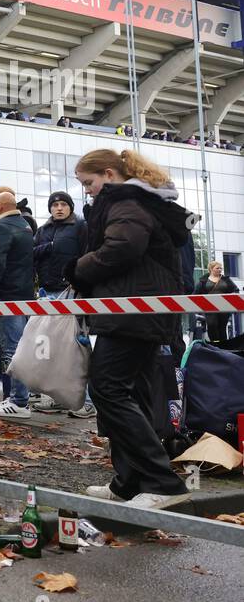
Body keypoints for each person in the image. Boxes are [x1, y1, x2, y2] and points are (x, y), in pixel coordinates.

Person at [66, 149, 192, 509]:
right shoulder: (138, 201)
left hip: (132, 313)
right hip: (136, 311)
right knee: (128, 394)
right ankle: (129, 482)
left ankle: (161, 482)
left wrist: (78, 268)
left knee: (108, 390)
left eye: (89, 183)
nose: (87, 192)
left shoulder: (125, 201)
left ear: (108, 174)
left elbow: (122, 247)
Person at [31, 190, 94, 416]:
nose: (59, 208)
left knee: (77, 346)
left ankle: (86, 401)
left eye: (63, 204)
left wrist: (80, 282)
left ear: (70, 207)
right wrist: (46, 249)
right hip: (48, 291)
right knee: (50, 347)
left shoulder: (80, 227)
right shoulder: (43, 230)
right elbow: (31, 254)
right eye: (55, 204)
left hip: (72, 291)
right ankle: (56, 397)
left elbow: (88, 255)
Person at [0, 188, 37, 419]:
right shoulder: (24, 225)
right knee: (20, 347)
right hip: (24, 293)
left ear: (0, 207)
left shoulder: (1, 226)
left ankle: (18, 401)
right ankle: (17, 398)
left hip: (7, 296)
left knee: (11, 349)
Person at [194, 261, 239, 342]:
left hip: (224, 307)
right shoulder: (203, 280)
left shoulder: (226, 279)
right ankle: (215, 345)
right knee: (212, 325)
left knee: (222, 327)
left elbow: (236, 290)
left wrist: (233, 300)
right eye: (217, 268)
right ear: (211, 269)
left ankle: (223, 346)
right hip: (209, 308)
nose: (220, 270)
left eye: (221, 268)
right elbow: (195, 294)